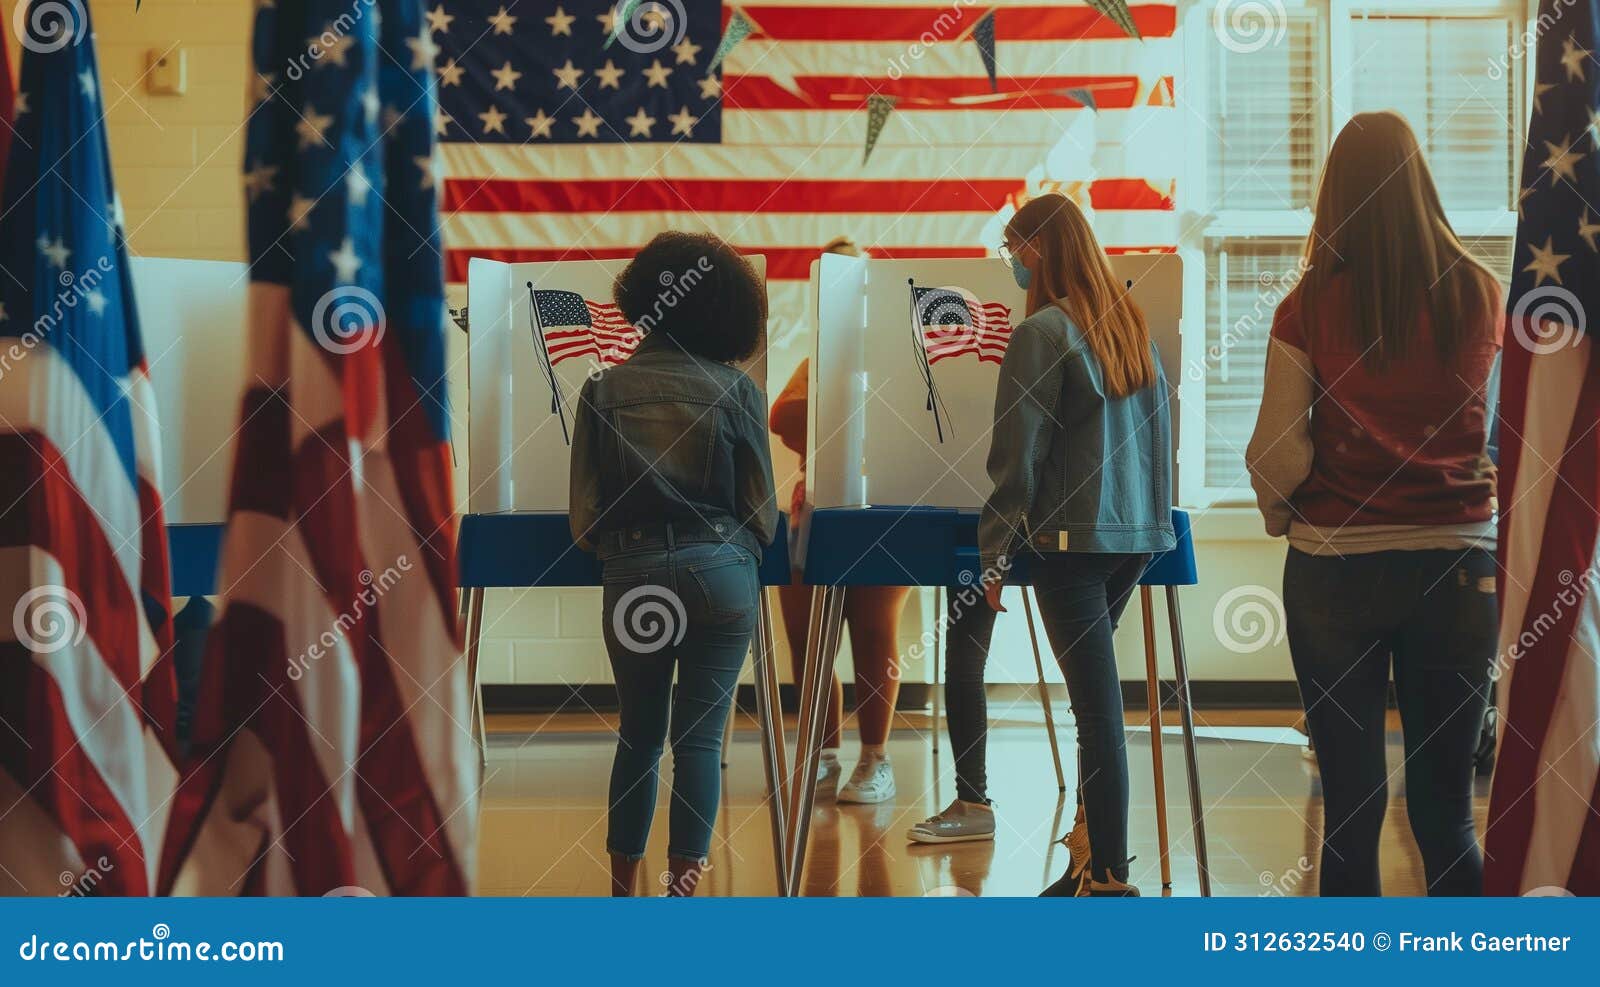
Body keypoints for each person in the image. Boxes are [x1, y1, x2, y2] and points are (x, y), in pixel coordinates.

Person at [1246, 111, 1501, 897]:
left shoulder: (1307, 306)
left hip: (1335, 571)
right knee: (1447, 812)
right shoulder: (1483, 293)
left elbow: (1278, 454)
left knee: (1352, 806)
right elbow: (1505, 437)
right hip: (1460, 567)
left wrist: (1284, 514)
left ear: (1338, 194)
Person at [912, 193, 1175, 896]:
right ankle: (1092, 861)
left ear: (1039, 249)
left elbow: (1015, 458)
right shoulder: (1129, 326)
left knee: (1096, 709)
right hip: (1133, 536)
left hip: (1070, 542)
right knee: (1095, 705)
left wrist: (993, 554)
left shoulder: (1044, 334)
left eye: (1013, 249)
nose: (1012, 264)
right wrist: (1155, 529)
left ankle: (1110, 874)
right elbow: (1156, 440)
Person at [570, 231, 777, 897]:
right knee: (699, 741)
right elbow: (762, 512)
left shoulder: (603, 389)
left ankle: (621, 891)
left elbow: (585, 516)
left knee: (638, 737)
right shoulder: (737, 389)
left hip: (633, 574)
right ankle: (680, 893)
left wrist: (634, 551)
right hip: (721, 571)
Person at [770, 236, 912, 805]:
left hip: (883, 512)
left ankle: (875, 761)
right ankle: (823, 755)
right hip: (813, 514)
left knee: (875, 636)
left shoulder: (899, 357)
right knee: (808, 643)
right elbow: (782, 416)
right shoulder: (815, 360)